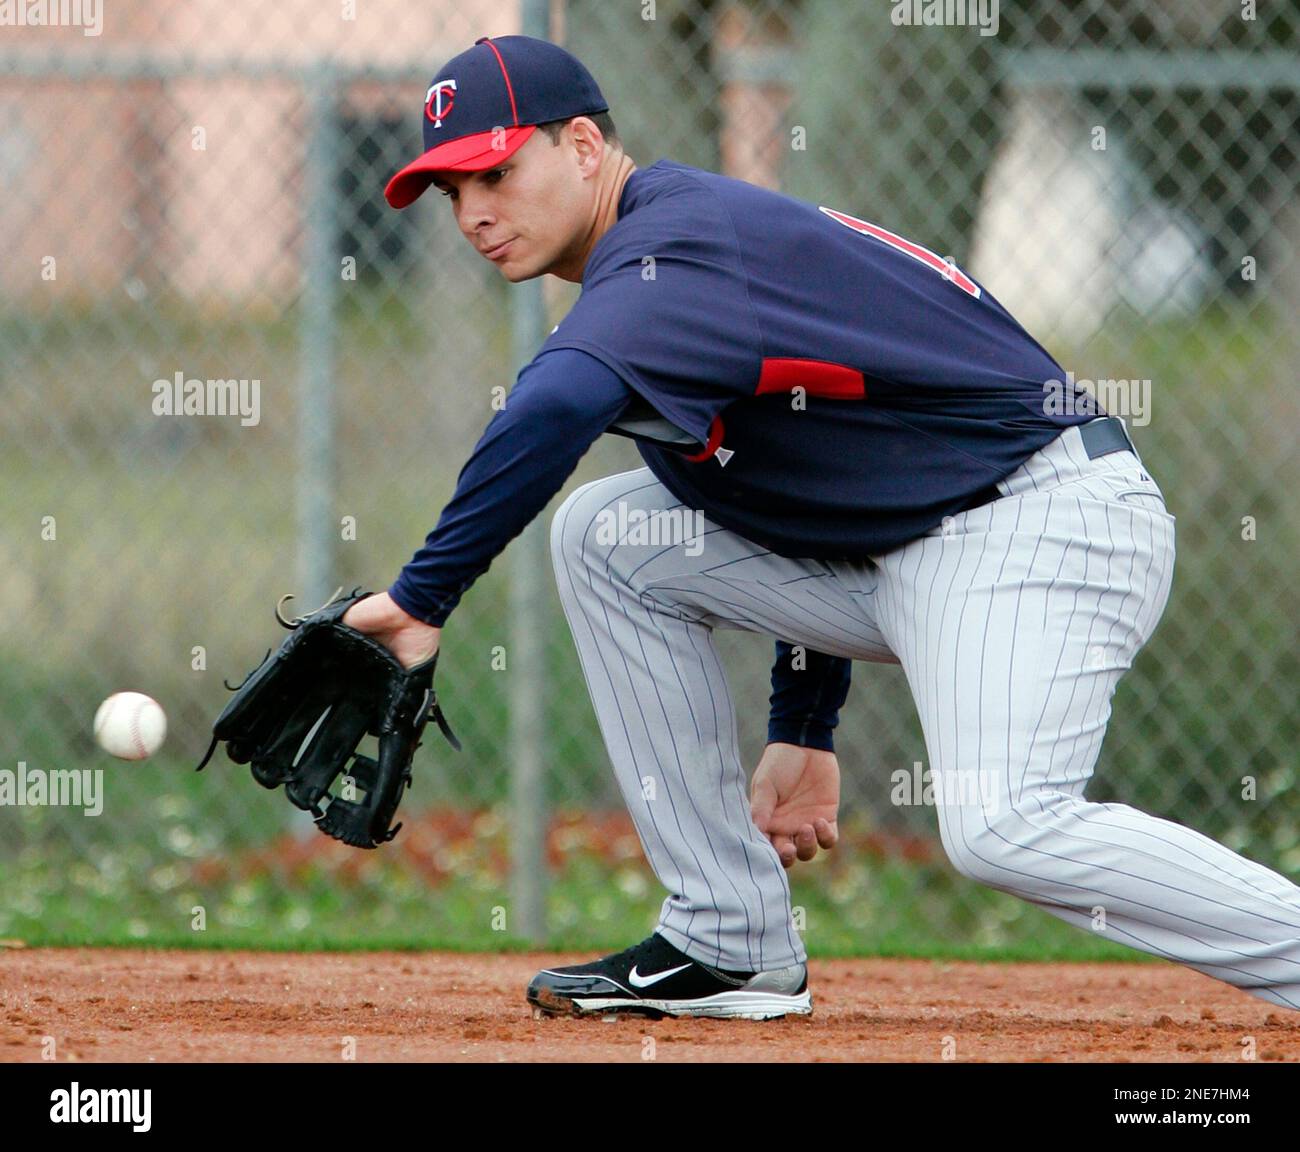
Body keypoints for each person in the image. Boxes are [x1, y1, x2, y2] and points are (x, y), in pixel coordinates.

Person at [343, 34, 1300, 1019]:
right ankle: (727, 940)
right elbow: (821, 490)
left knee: (1003, 826)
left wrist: (422, 599)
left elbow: (551, 406)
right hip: (926, 538)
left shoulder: (670, 257)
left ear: (583, 146)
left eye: (495, 171)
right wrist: (803, 725)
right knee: (609, 535)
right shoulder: (666, 272)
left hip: (1041, 519)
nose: (474, 212)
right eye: (450, 191)